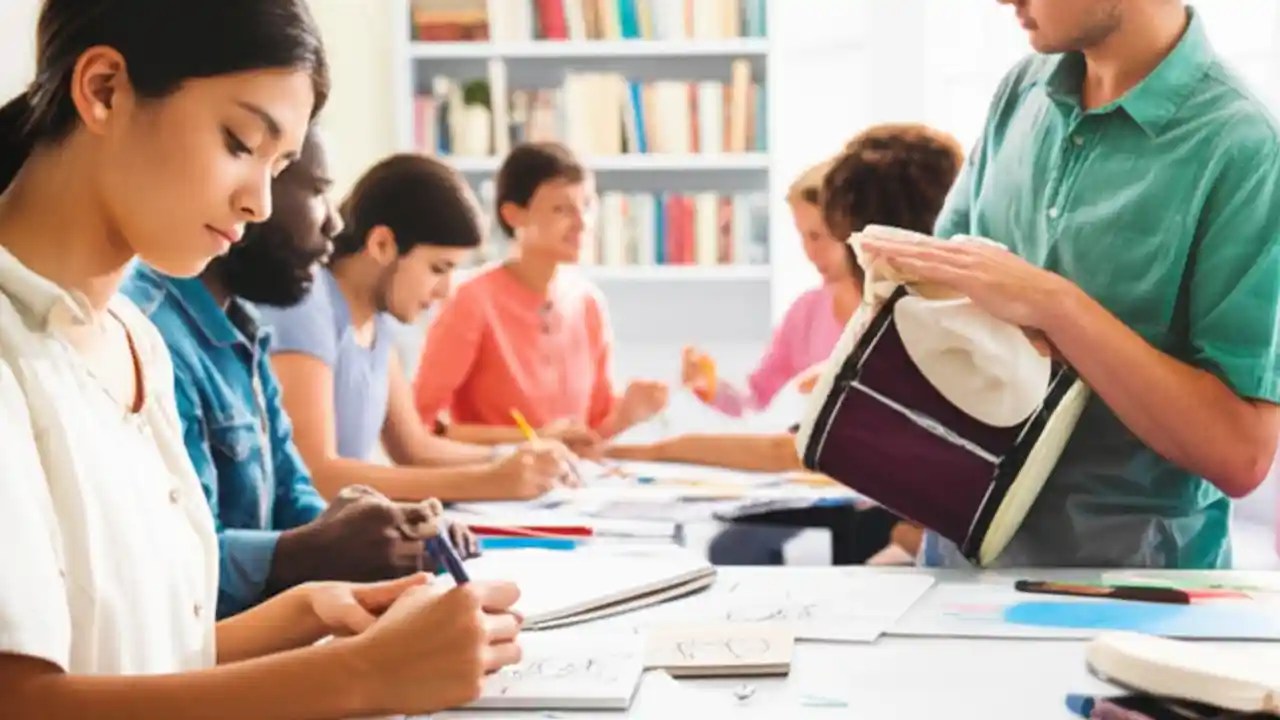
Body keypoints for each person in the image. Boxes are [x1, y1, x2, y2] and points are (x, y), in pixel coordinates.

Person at [0, 1, 520, 717]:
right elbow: (22, 701)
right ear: (104, 90)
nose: (260, 204)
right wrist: (362, 675)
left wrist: (308, 611)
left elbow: (143, 658)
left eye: (280, 167)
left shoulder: (134, 339)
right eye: (241, 143)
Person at [861, 0, 1280, 568]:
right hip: (954, 571)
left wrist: (1055, 305)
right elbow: (943, 300)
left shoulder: (1246, 145)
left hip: (1129, 593)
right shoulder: (1021, 91)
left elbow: (1240, 454)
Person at [123, 129, 478, 619]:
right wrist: (320, 548)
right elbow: (179, 569)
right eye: (317, 191)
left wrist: (377, 533)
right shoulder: (149, 336)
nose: (335, 223)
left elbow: (294, 495)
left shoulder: (246, 330)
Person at [611, 124, 964, 565]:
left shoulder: (921, 327)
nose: (816, 252)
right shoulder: (903, 313)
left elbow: (797, 450)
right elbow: (768, 406)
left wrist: (643, 452)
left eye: (827, 237)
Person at [256, 152, 577, 504]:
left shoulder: (376, 320)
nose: (445, 292)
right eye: (438, 268)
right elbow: (317, 473)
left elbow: (415, 447)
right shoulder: (308, 304)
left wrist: (517, 459)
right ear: (381, 244)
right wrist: (489, 481)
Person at [412, 142, 669, 455]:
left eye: (587, 205)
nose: (582, 223)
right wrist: (531, 438)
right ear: (513, 215)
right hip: (493, 479)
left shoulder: (588, 303)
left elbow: (588, 436)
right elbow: (422, 424)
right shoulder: (471, 301)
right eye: (561, 209)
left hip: (571, 481)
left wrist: (627, 415)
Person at [680, 158, 856, 417]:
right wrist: (712, 387)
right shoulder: (805, 312)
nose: (809, 251)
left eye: (817, 236)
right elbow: (758, 398)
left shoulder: (893, 310)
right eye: (802, 236)